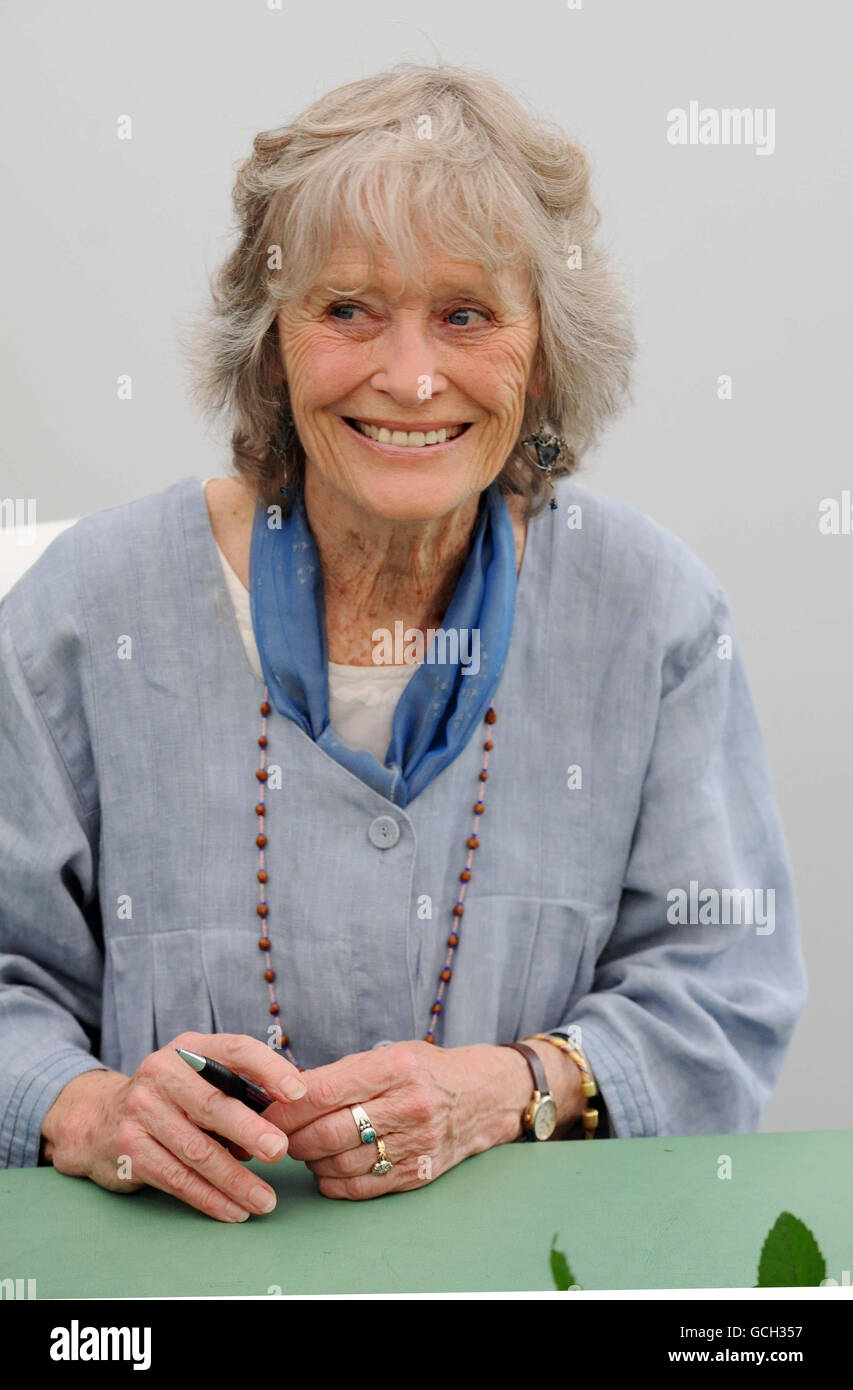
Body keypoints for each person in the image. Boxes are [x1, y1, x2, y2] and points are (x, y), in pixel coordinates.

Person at [0, 65, 806, 1219]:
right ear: (271, 342)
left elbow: (723, 988)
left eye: (466, 314)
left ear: (544, 349)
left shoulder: (653, 614)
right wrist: (78, 1105)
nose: (412, 376)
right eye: (347, 310)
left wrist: (519, 1085)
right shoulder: (82, 614)